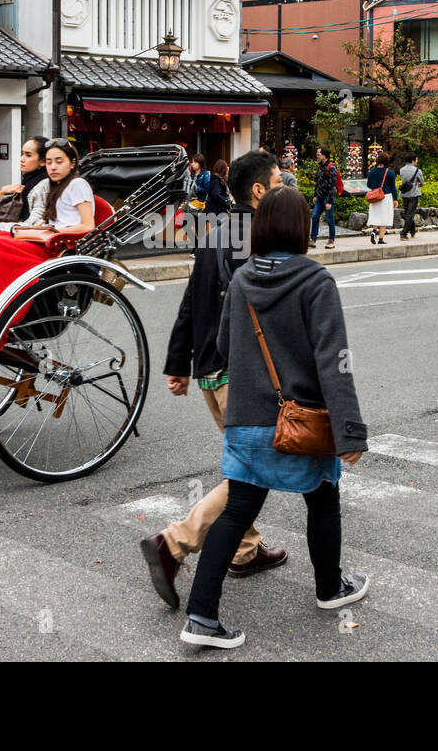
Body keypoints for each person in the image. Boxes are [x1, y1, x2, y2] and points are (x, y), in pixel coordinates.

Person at [180, 186, 369, 649]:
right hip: (302, 417)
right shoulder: (316, 281)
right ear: (302, 226)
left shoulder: (243, 279)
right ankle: (329, 588)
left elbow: (223, 346)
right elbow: (334, 360)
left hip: (246, 418)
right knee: (323, 496)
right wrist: (349, 432)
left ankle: (201, 617)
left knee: (238, 509)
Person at [145, 151, 287, 609]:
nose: (285, 188)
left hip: (209, 370)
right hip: (239, 374)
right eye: (279, 181)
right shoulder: (260, 236)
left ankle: (244, 552)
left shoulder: (217, 229)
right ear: (260, 191)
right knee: (252, 470)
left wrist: (177, 363)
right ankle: (175, 542)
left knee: (242, 461)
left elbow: (192, 298)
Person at [11, 138, 95, 240]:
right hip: (49, 237)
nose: (53, 167)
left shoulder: (77, 184)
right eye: (49, 162)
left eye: (59, 162)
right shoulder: (55, 186)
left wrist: (51, 231)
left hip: (64, 242)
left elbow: (88, 226)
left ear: (72, 163)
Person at [0, 136, 51, 229]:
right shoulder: (27, 182)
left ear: (42, 161)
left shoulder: (44, 184)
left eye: (28, 155)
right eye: (22, 154)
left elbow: (33, 224)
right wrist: (1, 193)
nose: (22, 159)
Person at [309, 146, 338, 249]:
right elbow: (318, 182)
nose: (317, 156)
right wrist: (315, 195)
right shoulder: (320, 167)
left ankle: (331, 240)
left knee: (330, 220)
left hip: (327, 199)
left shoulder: (332, 167)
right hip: (319, 198)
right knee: (315, 217)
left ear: (324, 155)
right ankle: (313, 239)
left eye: (318, 154)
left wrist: (329, 201)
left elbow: (332, 186)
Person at [365, 151, 396, 244]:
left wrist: (375, 188)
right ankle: (381, 239)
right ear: (387, 161)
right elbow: (393, 187)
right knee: (384, 217)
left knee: (376, 215)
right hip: (386, 197)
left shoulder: (371, 171)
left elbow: (368, 184)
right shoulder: (390, 172)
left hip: (375, 197)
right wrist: (395, 199)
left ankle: (374, 231)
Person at [398, 152, 424, 240]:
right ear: (413, 161)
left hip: (404, 194)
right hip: (413, 194)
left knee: (407, 213)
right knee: (410, 213)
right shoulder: (417, 170)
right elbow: (422, 182)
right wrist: (417, 184)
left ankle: (412, 230)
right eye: (416, 159)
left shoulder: (402, 170)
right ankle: (403, 233)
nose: (417, 161)